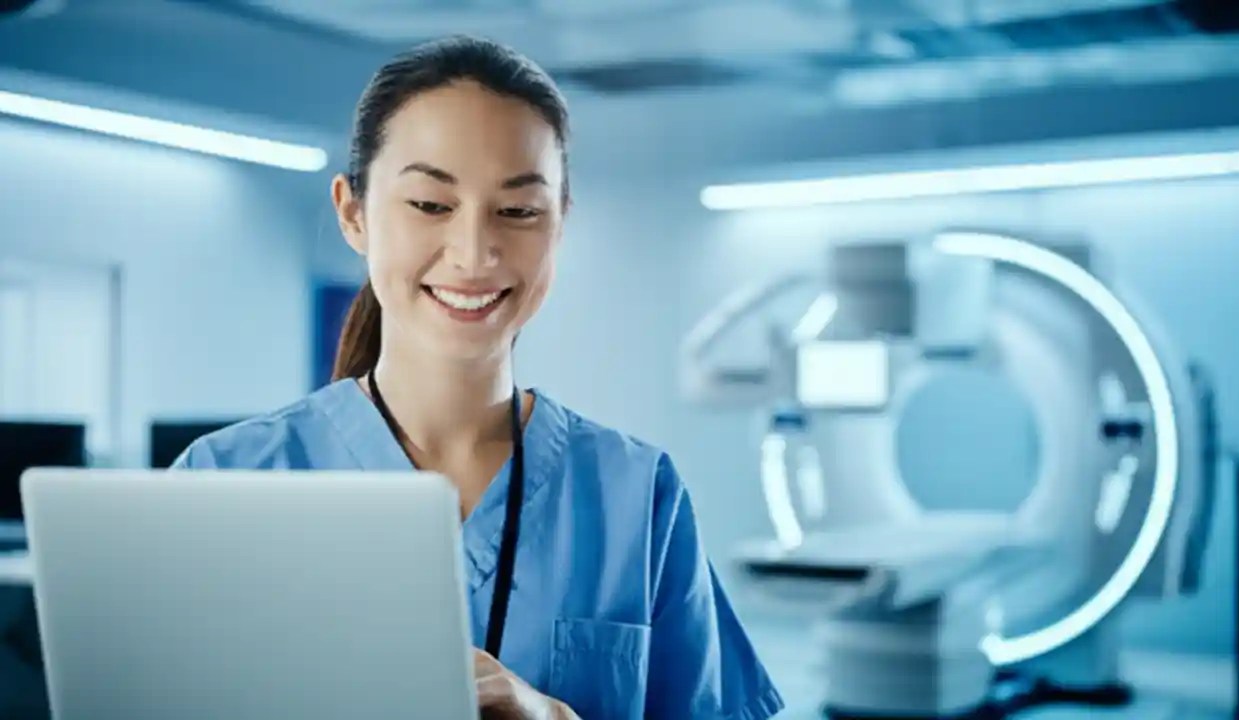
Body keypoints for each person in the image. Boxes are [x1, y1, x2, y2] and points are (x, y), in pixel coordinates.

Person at [173, 35, 784, 720]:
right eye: (431, 205)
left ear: (559, 225)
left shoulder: (636, 494)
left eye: (518, 211)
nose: (473, 253)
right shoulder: (223, 481)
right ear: (353, 214)